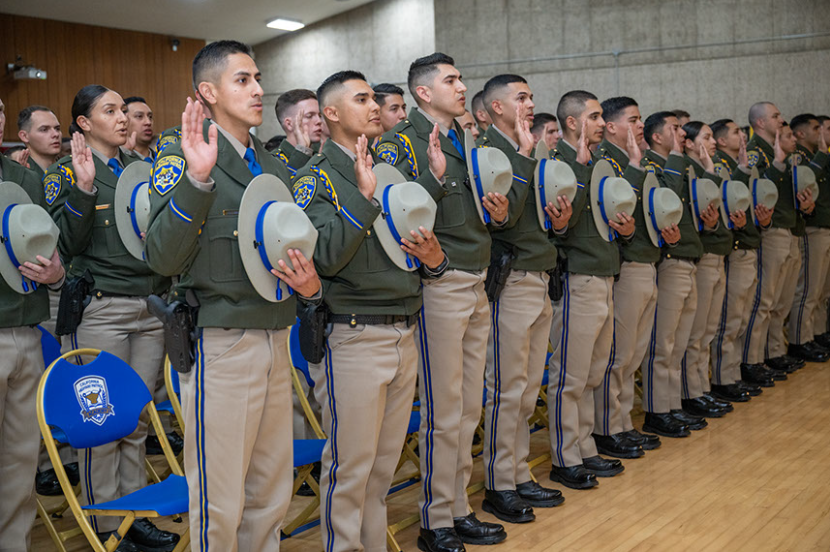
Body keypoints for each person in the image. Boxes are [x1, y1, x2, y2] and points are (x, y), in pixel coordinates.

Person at [145, 40, 321, 552]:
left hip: (275, 335)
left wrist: (306, 283)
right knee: (219, 497)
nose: (258, 89)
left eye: (258, 78)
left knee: (271, 488)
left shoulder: (270, 164)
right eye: (242, 80)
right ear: (209, 91)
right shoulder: (183, 153)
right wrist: (197, 180)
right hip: (221, 342)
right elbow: (161, 257)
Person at [299, 68, 448, 552]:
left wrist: (433, 257)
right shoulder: (315, 178)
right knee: (351, 468)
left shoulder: (388, 170)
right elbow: (324, 257)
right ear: (331, 113)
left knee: (383, 468)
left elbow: (410, 248)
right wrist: (363, 200)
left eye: (373, 99)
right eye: (361, 99)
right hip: (354, 334)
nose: (374, 107)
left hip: (404, 325)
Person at [378, 52, 509, 552]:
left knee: (469, 406)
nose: (462, 87)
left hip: (477, 278)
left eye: (460, 78)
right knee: (444, 407)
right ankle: (436, 521)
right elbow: (395, 216)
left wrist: (497, 214)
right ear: (424, 92)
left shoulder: (466, 139)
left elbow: (473, 212)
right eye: (451, 80)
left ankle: (458, 507)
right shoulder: (400, 143)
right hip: (440, 283)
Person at [44, 85, 178, 551]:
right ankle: (106, 524)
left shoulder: (138, 169)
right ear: (84, 123)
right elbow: (67, 244)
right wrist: (83, 189)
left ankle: (135, 514)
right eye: (110, 111)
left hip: (148, 305)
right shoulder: (66, 172)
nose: (123, 118)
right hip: (102, 309)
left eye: (124, 110)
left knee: (136, 418)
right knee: (101, 422)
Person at [476, 74, 569, 524]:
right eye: (521, 97)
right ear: (497, 107)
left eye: (531, 96)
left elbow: (541, 219)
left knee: (529, 389)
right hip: (510, 280)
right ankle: (499, 483)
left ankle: (517, 472)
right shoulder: (488, 153)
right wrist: (524, 158)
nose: (530, 103)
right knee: (507, 387)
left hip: (540, 273)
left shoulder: (531, 150)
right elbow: (504, 218)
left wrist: (560, 222)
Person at [546, 90, 636, 490]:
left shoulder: (599, 163)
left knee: (592, 372)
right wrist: (581, 170)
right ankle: (565, 457)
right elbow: (562, 225)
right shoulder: (557, 164)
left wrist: (627, 229)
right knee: (570, 374)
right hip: (577, 276)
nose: (602, 123)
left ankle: (584, 446)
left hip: (604, 273)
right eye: (595, 117)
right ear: (572, 122)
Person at [593, 97, 678, 459]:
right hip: (625, 266)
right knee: (618, 354)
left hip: (647, 261)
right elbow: (618, 207)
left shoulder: (633, 161)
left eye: (641, 119)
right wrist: (633, 165)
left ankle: (624, 422)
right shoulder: (605, 163)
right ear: (611, 127)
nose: (640, 125)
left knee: (634, 353)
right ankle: (607, 428)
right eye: (633, 120)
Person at [0, 96, 67, 552]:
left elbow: (48, 250)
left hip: (25, 327)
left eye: (0, 113)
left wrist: (56, 275)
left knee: (21, 459)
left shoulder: (26, 178)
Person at [639, 111, 709, 438]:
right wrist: (679, 158)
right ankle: (657, 411)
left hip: (688, 255)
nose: (682, 133)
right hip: (669, 260)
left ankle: (672, 404)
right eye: (675, 128)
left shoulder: (675, 165)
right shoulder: (651, 167)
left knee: (679, 341)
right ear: (656, 137)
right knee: (663, 342)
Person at [742, 102, 813, 379]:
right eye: (775, 116)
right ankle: (753, 359)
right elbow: (759, 192)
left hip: (790, 226)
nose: (781, 120)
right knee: (764, 299)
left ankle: (774, 352)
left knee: (781, 300)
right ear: (760, 123)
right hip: (770, 231)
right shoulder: (755, 153)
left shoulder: (777, 150)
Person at [679, 121, 739, 418]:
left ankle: (702, 387)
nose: (713, 142)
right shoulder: (688, 172)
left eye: (714, 137)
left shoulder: (704, 169)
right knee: (696, 332)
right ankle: (692, 392)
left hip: (716, 255)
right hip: (701, 257)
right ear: (689, 143)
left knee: (707, 330)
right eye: (706, 137)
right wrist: (709, 170)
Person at [709, 119, 769, 402]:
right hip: (733, 248)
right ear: (721, 140)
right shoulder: (719, 167)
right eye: (735, 132)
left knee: (741, 316)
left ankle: (733, 373)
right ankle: (723, 378)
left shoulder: (738, 165)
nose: (743, 135)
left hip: (747, 243)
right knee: (729, 319)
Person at [786, 114, 830, 359]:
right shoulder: (800, 158)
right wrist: (822, 155)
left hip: (824, 225)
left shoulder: (817, 157)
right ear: (800, 133)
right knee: (808, 289)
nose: (821, 133)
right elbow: (805, 185)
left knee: (822, 289)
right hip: (811, 228)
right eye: (817, 128)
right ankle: (800, 340)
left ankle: (817, 332)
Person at [274, 88, 322, 176]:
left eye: (320, 115)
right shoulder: (273, 161)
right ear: (289, 124)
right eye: (309, 116)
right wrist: (302, 151)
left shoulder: (321, 153)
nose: (319, 121)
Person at [17, 105, 62, 180]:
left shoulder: (69, 168)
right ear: (24, 136)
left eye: (57, 128)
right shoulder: (20, 172)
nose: (56, 134)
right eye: (44, 129)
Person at [123, 96, 156, 161]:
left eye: (150, 117)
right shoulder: (118, 162)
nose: (148, 122)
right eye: (139, 116)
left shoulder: (162, 160)